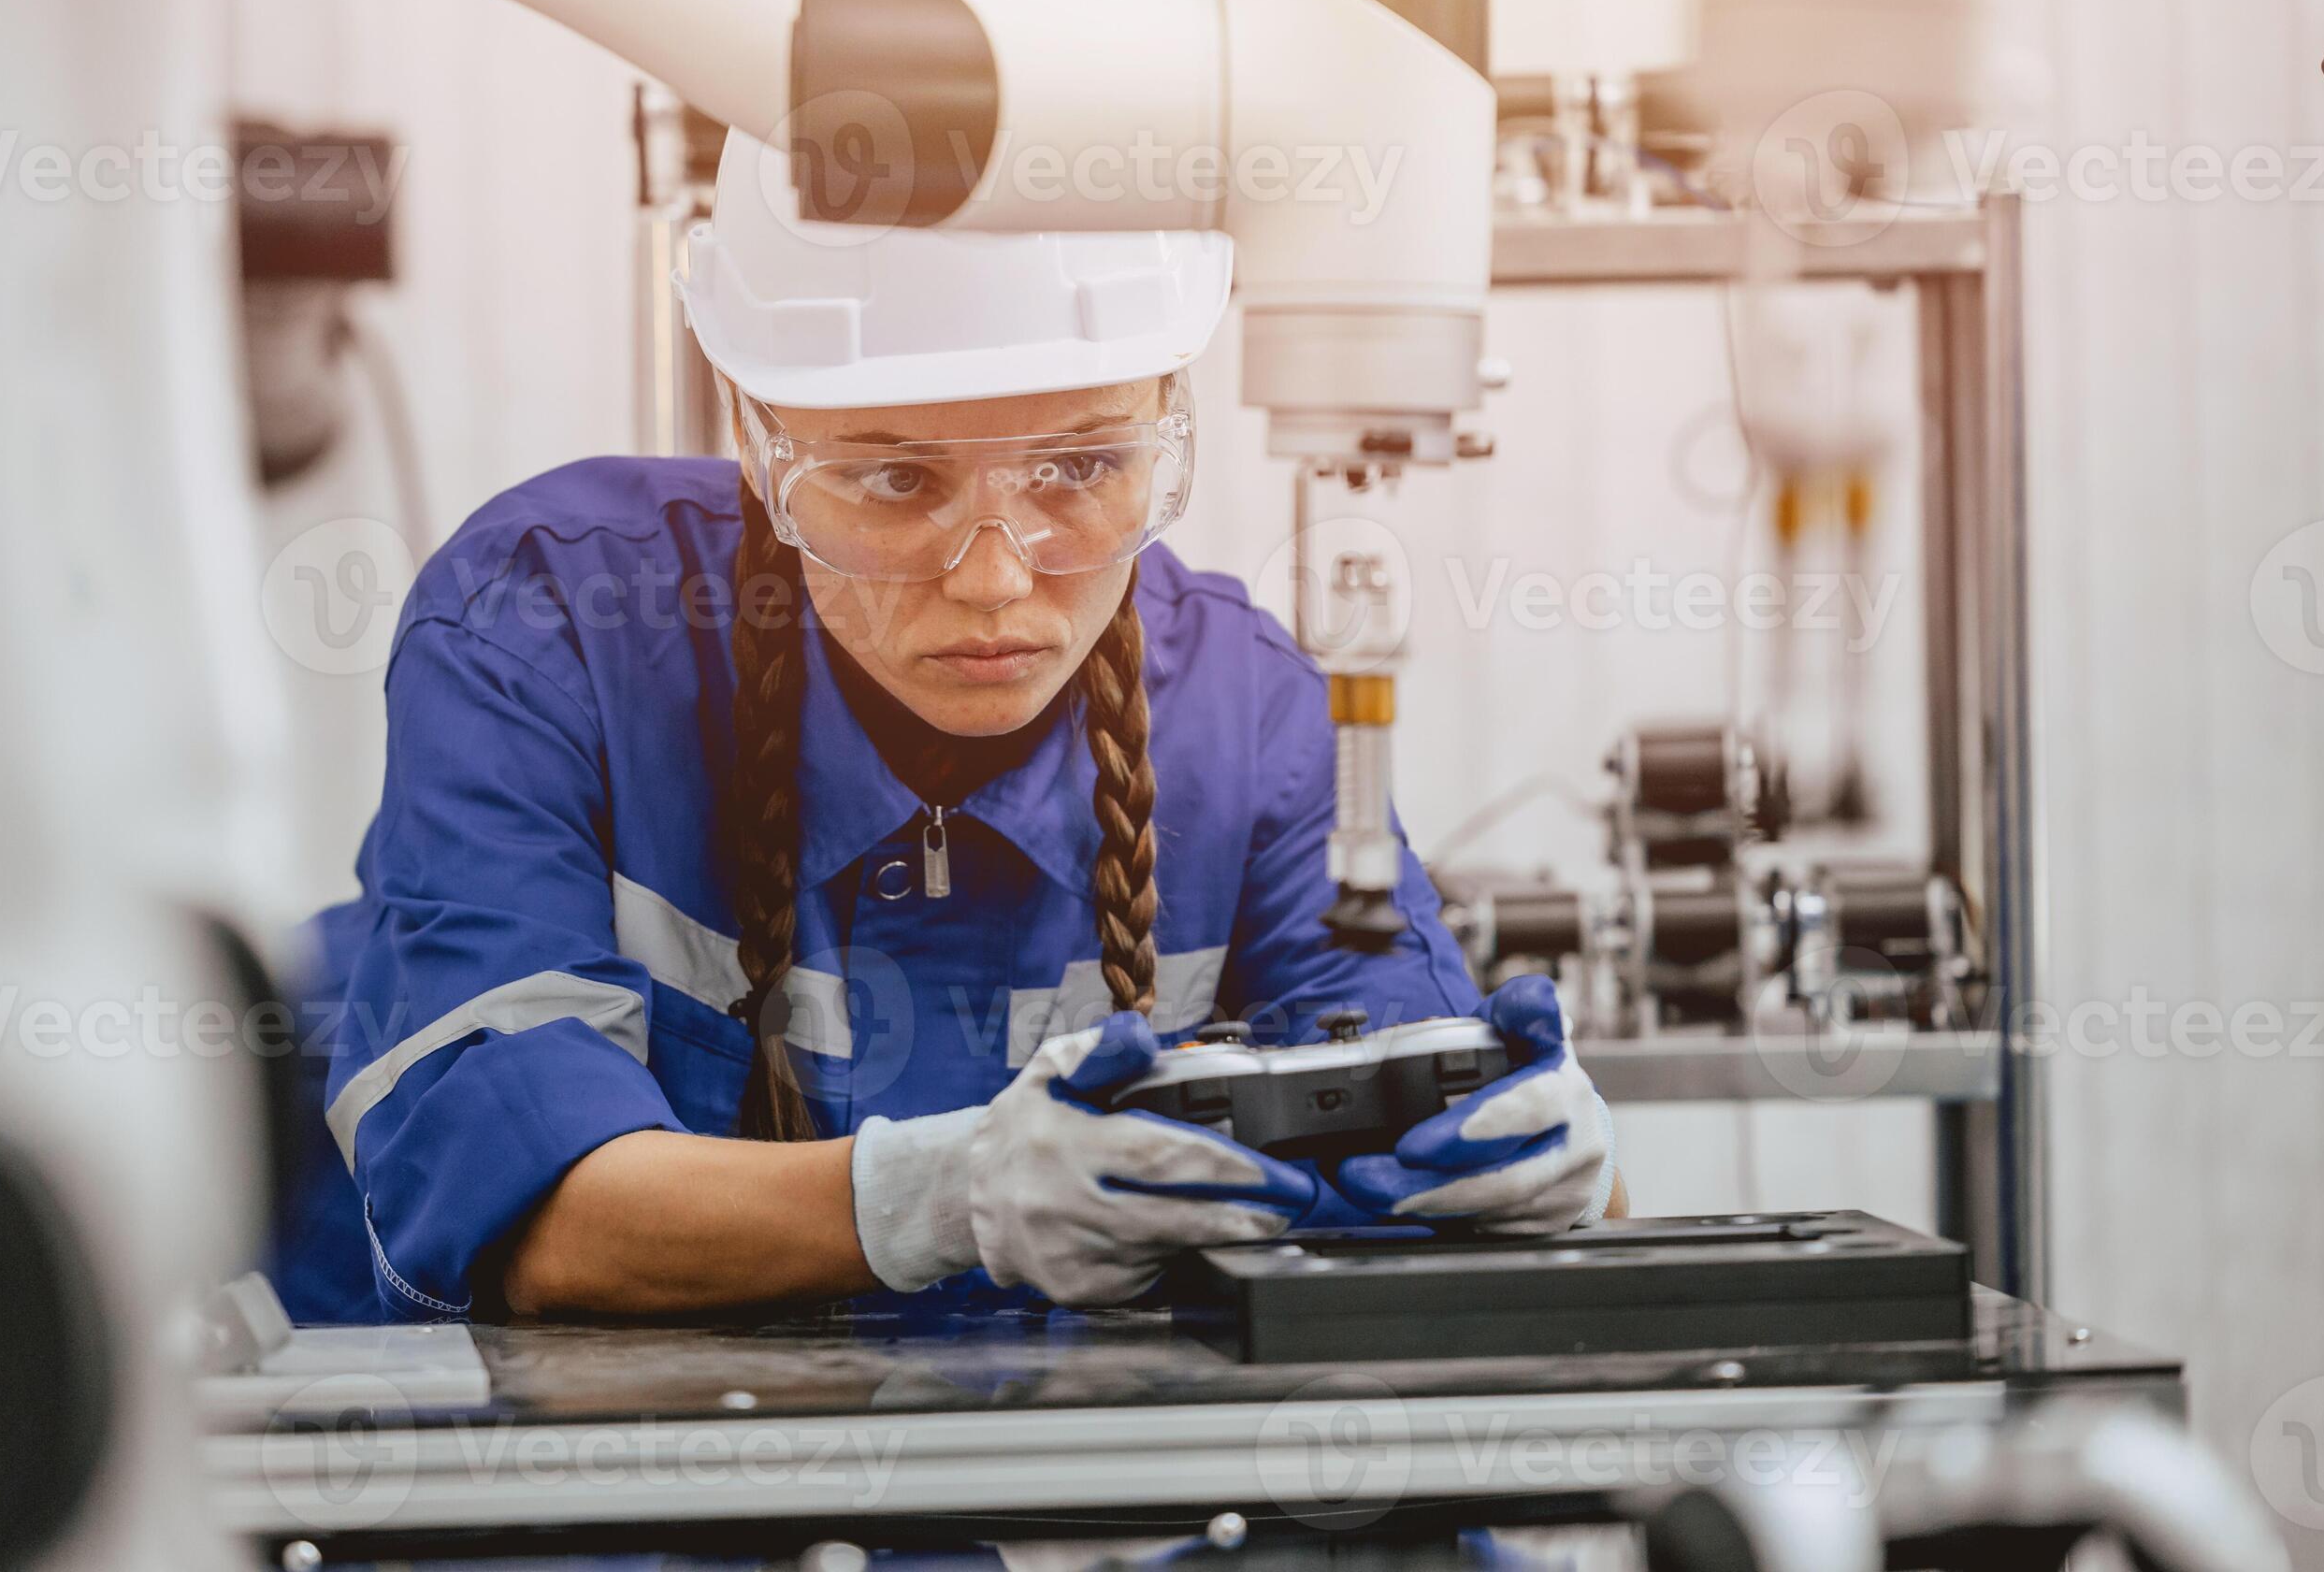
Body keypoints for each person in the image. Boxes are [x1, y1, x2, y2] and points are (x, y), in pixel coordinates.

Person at [271, 135, 1621, 1325]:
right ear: (757, 437)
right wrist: (941, 1197)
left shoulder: (1250, 723)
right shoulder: (548, 628)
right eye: (894, 478)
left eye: (1084, 469)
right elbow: (522, 1217)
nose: (992, 578)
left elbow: (1421, 1119)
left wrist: (1550, 1171)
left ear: (1167, 427)